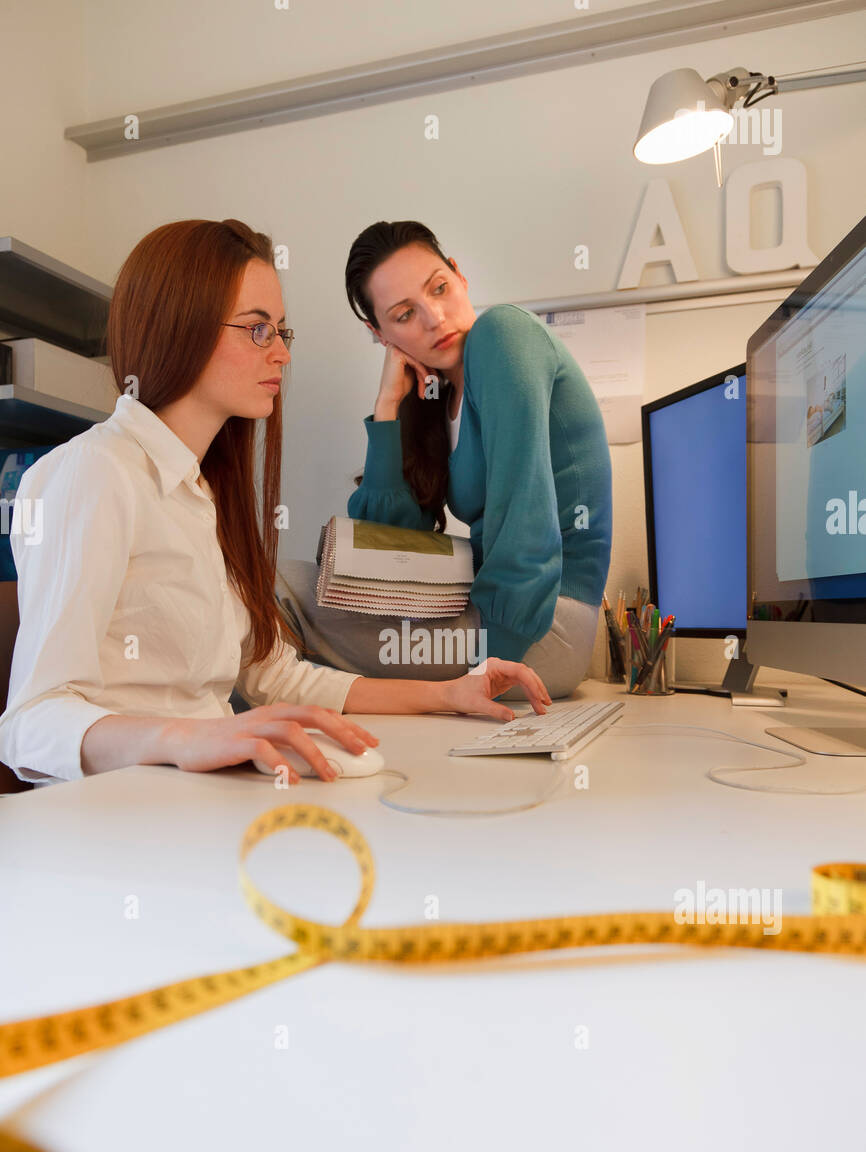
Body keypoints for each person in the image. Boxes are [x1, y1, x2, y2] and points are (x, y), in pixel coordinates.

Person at [0, 219, 550, 789]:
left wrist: (446, 694)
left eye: (282, 331)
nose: (282, 355)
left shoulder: (203, 492)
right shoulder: (93, 473)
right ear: (179, 328)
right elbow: (30, 724)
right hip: (121, 820)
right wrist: (185, 738)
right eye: (258, 330)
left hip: (199, 802)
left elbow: (273, 677)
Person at [275, 219, 612, 699]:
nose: (434, 317)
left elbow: (526, 528)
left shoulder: (503, 336)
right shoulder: (436, 397)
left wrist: (488, 670)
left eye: (439, 288)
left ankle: (217, 739)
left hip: (542, 630)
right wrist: (388, 407)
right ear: (380, 333)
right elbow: (387, 544)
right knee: (284, 593)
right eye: (404, 314)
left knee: (275, 590)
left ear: (459, 275)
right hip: (497, 617)